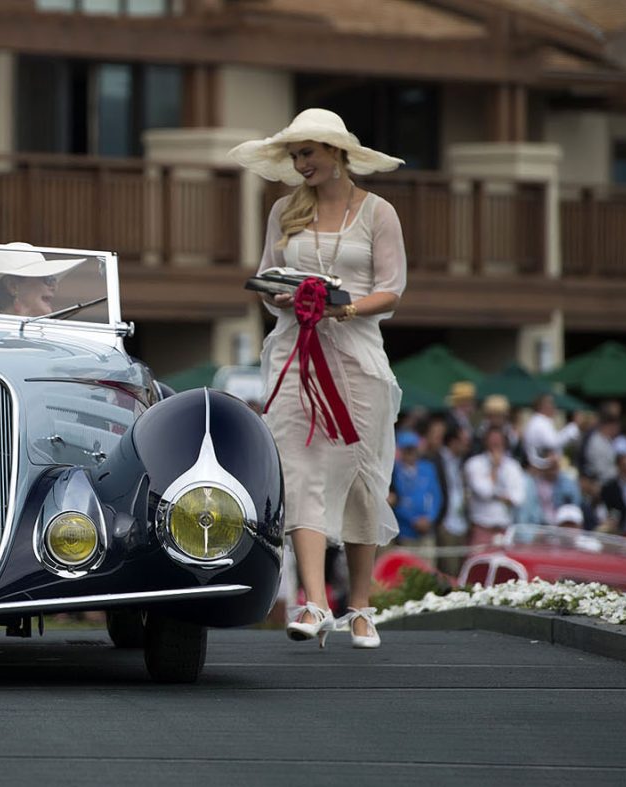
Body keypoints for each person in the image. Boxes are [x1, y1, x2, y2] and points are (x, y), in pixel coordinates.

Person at [230, 107, 408, 649]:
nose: (300, 163)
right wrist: (283, 295)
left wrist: (342, 309)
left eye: (308, 152)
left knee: (361, 474)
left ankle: (360, 606)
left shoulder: (378, 212)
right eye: (294, 154)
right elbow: (263, 277)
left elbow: (392, 288)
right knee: (298, 468)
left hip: (356, 356)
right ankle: (312, 601)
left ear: (336, 153)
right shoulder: (285, 210)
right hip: (294, 350)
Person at [0, 242, 88, 317]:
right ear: (13, 286)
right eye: (47, 278)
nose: (54, 287)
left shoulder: (49, 336)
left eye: (52, 279)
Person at [463, 425, 526, 546]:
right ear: (486, 442)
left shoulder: (513, 466)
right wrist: (495, 467)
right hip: (482, 527)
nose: (496, 443)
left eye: (498, 439)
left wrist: (497, 496)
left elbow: (518, 498)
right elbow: (485, 491)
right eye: (492, 440)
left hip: (504, 530)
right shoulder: (474, 464)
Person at [390, 431, 442, 547]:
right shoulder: (395, 471)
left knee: (427, 564)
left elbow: (436, 496)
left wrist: (430, 518)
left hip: (427, 530)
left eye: (412, 449)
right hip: (405, 531)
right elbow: (396, 499)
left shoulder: (427, 468)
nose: (410, 453)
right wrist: (413, 520)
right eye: (407, 449)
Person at [515, 446, 585, 528]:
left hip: (560, 527)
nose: (553, 468)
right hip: (537, 527)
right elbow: (527, 512)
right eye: (550, 464)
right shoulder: (531, 483)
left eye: (555, 465)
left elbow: (573, 512)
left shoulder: (569, 485)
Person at [436, 423, 472, 575]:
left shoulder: (461, 462)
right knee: (448, 572)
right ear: (453, 441)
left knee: (460, 571)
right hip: (446, 522)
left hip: (461, 523)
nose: (467, 445)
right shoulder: (437, 460)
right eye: (464, 441)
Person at [521, 392, 560, 462]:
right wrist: (573, 428)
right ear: (542, 406)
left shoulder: (538, 421)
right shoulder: (540, 422)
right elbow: (553, 443)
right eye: (550, 403)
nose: (554, 406)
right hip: (540, 467)